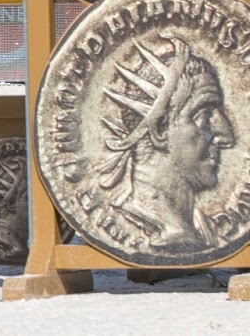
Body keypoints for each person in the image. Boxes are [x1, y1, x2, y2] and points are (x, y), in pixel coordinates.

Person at [98, 34, 236, 249]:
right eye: (204, 115)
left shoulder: (205, 227)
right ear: (160, 130)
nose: (226, 136)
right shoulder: (135, 220)